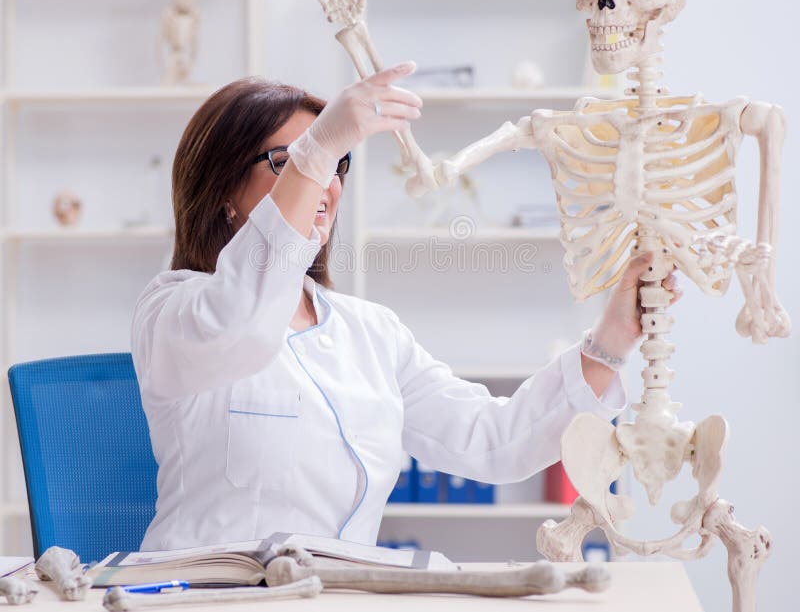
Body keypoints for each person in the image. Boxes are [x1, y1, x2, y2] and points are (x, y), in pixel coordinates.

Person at [131, 62, 681, 551]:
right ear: (223, 192)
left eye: (335, 163)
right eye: (289, 162)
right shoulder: (173, 313)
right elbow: (244, 324)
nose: (323, 180)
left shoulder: (370, 332)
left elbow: (494, 440)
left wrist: (612, 339)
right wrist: (317, 150)